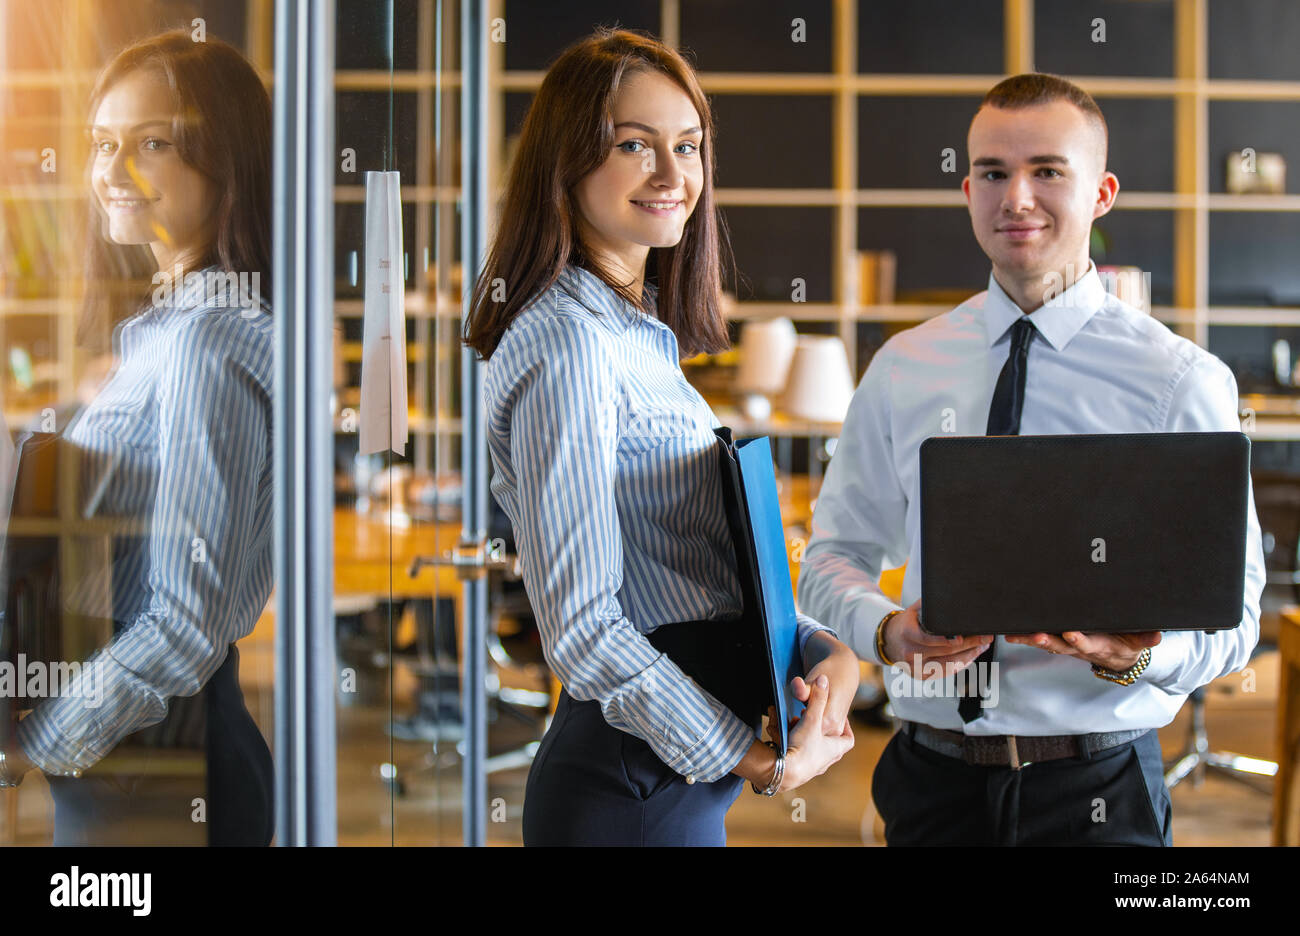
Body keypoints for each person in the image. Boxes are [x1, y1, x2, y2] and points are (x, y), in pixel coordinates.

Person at [798, 73, 1265, 847]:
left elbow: (1235, 619)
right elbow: (831, 560)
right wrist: (887, 634)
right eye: (992, 172)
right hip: (928, 782)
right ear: (968, 187)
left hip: (1100, 792)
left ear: (1102, 192)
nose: (1016, 197)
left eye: (1047, 170)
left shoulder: (1180, 380)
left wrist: (1137, 657)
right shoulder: (902, 366)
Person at [466, 28, 860, 846]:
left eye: (688, 146)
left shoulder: (637, 338)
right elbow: (583, 628)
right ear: (566, 162)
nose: (674, 175)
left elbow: (692, 574)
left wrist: (823, 651)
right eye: (634, 146)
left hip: (672, 787)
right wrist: (750, 757)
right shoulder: (567, 342)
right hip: (628, 792)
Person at [0, 30, 275, 846]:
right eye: (102, 144)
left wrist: (44, 741)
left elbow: (185, 622)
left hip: (158, 763)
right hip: (132, 750)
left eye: (152, 143)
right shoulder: (167, 328)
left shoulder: (208, 341)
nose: (112, 173)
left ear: (225, 156)